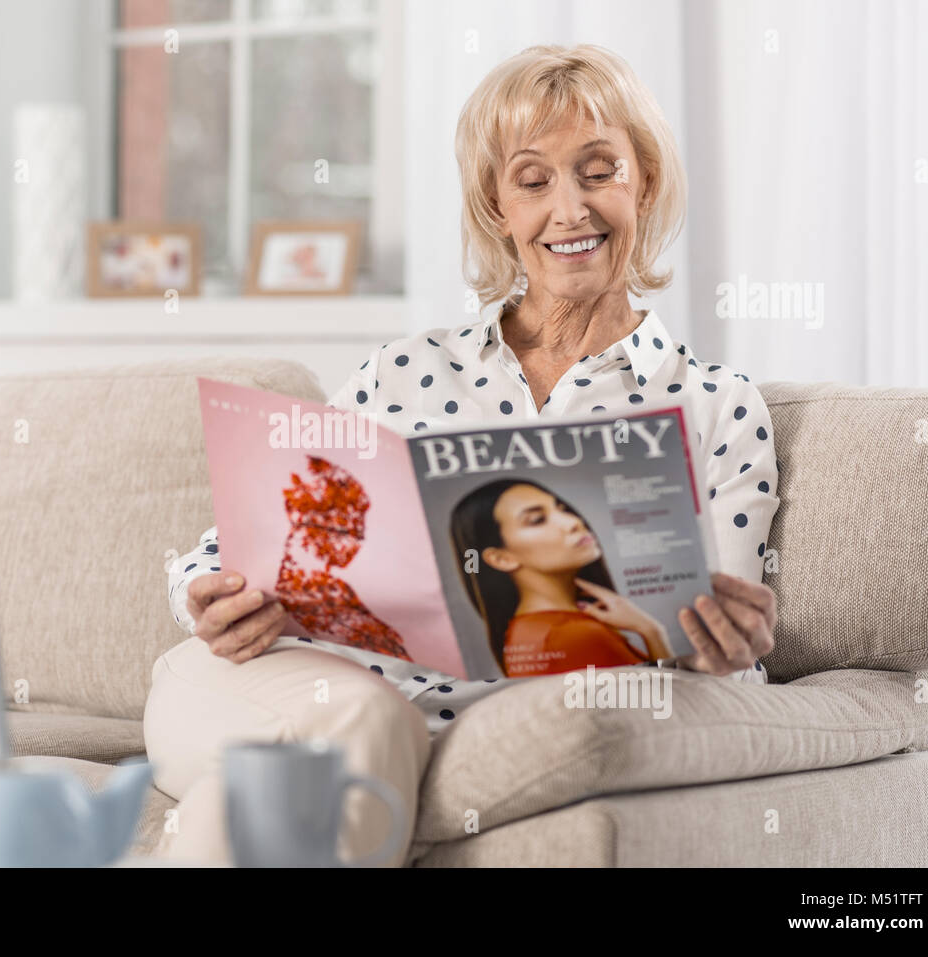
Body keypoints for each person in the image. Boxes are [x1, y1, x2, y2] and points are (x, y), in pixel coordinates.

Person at [143, 42, 781, 868]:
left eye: (599, 171)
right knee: (364, 722)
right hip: (269, 683)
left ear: (644, 184)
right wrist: (211, 592)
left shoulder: (713, 405)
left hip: (386, 733)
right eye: (533, 180)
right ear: (497, 205)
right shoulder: (402, 370)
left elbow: (712, 638)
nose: (570, 209)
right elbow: (231, 546)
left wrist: (727, 645)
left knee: (324, 766)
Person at [448, 478, 673, 677]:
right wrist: (652, 632)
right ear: (501, 558)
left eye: (563, 509)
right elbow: (674, 706)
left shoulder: (527, 630)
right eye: (537, 519)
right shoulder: (575, 636)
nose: (573, 522)